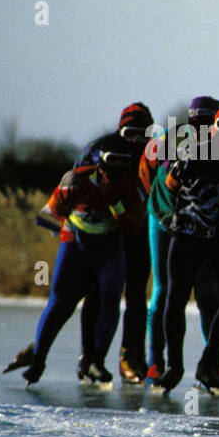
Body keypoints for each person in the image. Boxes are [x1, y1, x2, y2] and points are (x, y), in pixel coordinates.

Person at [3, 133, 143, 384]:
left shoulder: (131, 184)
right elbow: (52, 212)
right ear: (100, 166)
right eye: (111, 171)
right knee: (60, 303)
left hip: (110, 250)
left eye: (121, 171)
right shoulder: (75, 180)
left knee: (110, 301)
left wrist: (115, 205)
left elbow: (133, 230)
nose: (115, 177)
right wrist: (74, 223)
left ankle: (96, 361)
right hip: (75, 246)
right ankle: (38, 359)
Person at [158, 105, 219, 393]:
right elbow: (170, 184)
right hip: (189, 234)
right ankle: (174, 364)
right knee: (176, 296)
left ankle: (208, 360)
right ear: (214, 129)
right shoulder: (194, 151)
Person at [140, 95, 219, 384]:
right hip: (165, 220)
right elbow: (146, 169)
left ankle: (210, 364)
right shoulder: (170, 138)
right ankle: (156, 361)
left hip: (193, 226)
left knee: (205, 292)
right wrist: (163, 204)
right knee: (165, 289)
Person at [74, 102, 154, 383]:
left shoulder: (155, 150)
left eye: (142, 132)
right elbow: (76, 184)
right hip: (103, 236)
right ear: (120, 129)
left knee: (135, 294)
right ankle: (90, 357)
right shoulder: (98, 147)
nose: (136, 139)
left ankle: (130, 357)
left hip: (138, 232)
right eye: (130, 132)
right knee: (97, 294)